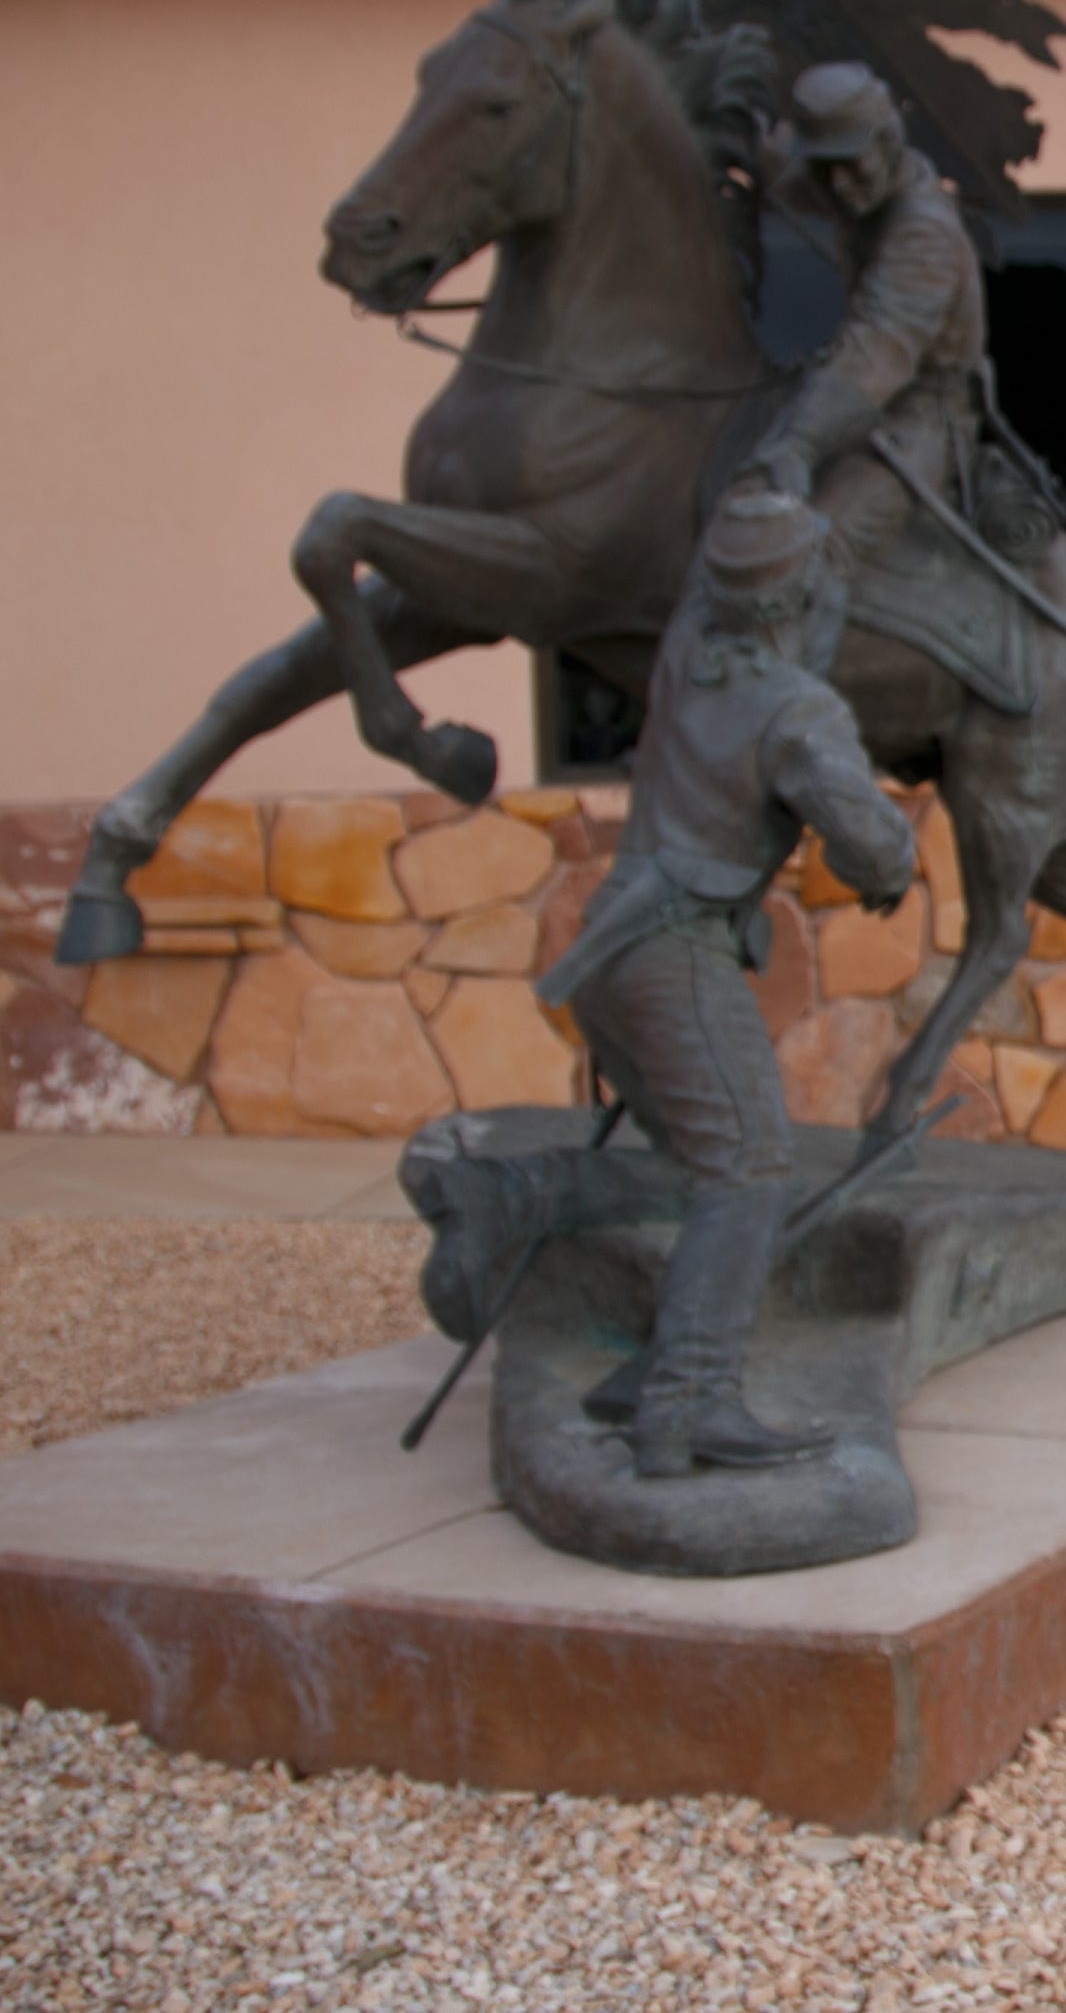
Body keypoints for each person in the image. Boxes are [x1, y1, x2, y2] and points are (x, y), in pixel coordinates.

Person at [405, 489, 916, 1478]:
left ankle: (542, 1220)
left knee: (700, 1172)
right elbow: (877, 849)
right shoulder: (798, 711)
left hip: (612, 943)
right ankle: (687, 1403)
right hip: (675, 951)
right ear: (802, 591)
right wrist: (884, 857)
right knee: (750, 1169)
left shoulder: (689, 652)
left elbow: (716, 567)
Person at [739, 60, 991, 526]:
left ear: (888, 143)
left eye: (848, 163)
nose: (836, 185)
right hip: (861, 402)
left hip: (922, 421)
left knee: (810, 549)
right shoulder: (859, 188)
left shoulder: (923, 237)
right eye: (823, 167)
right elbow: (789, 177)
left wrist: (801, 443)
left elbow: (878, 351)